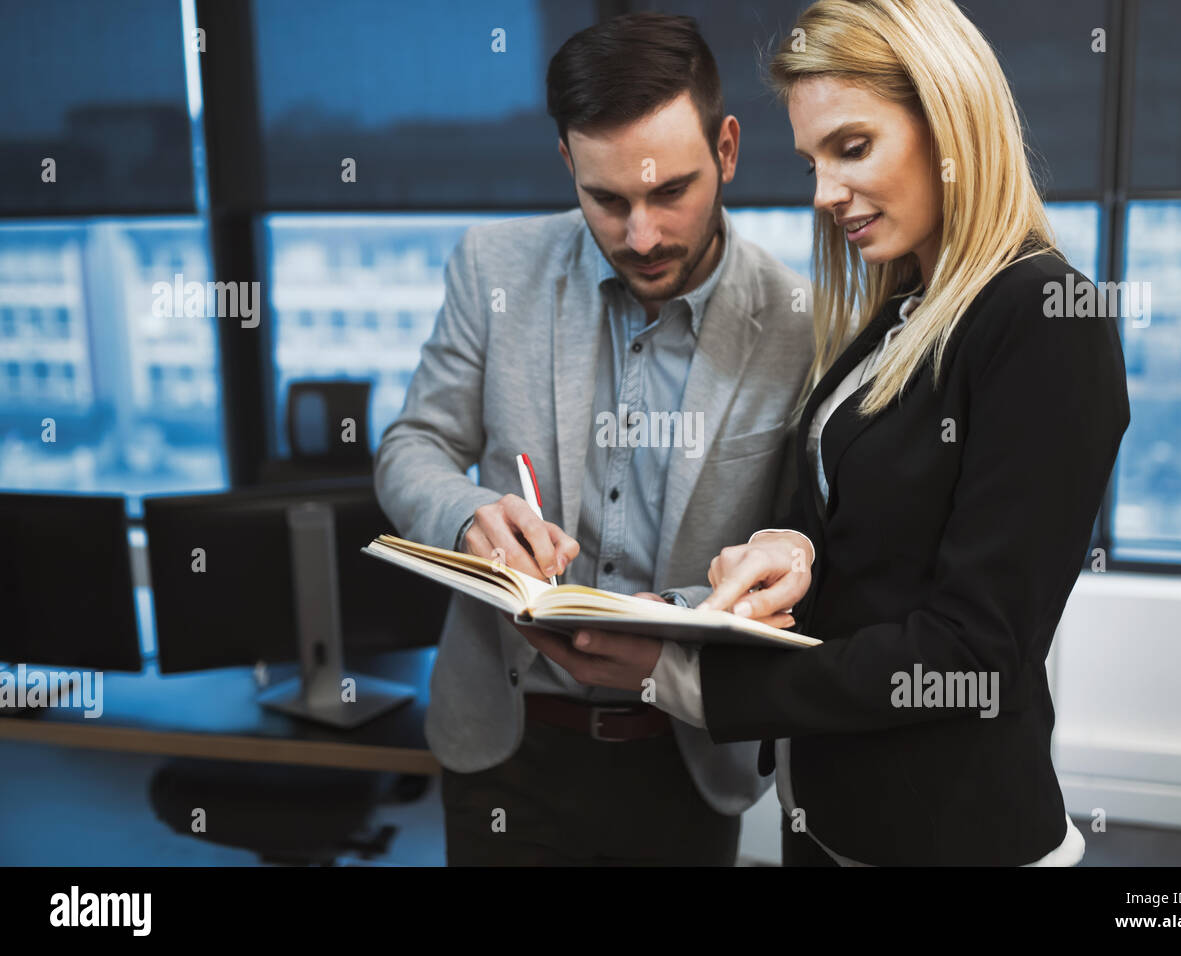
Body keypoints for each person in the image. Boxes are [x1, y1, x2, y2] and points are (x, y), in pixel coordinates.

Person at [517, 0, 1131, 866]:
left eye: (852, 148)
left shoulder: (1043, 318)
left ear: (950, 118)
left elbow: (973, 653)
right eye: (812, 160)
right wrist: (788, 544)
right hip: (835, 823)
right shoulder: (903, 309)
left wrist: (682, 677)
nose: (822, 193)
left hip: (956, 838)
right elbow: (867, 528)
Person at [374, 12, 814, 865]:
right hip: (505, 745)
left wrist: (689, 614)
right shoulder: (492, 268)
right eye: (607, 199)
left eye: (670, 192)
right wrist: (468, 517)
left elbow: (800, 545)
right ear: (567, 163)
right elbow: (410, 446)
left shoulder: (803, 323)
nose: (640, 236)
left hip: (685, 751)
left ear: (726, 151)